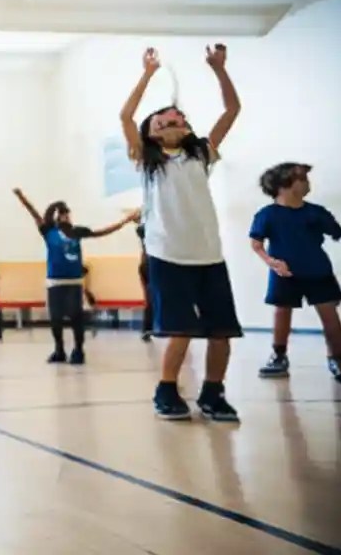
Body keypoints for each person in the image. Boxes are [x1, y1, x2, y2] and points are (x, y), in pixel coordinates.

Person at [121, 45, 243, 421]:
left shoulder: (202, 154)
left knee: (221, 332)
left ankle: (212, 392)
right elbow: (126, 115)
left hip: (209, 256)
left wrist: (219, 70)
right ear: (152, 133)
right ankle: (167, 389)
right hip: (167, 256)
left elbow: (231, 110)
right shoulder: (146, 160)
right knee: (181, 330)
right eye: (163, 120)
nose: (172, 121)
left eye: (178, 119)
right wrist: (147, 74)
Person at [13, 189, 136, 365]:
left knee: (76, 317)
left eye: (67, 213)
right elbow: (33, 213)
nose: (66, 216)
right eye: (62, 214)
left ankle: (78, 350)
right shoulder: (49, 231)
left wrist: (125, 221)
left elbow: (101, 232)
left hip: (74, 283)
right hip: (55, 282)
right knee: (55, 318)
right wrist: (21, 197)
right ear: (56, 217)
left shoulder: (77, 232)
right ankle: (59, 350)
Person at [249, 163, 341, 382]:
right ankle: (279, 357)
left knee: (330, 316)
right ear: (284, 185)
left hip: (319, 271)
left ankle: (337, 357)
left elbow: (337, 232)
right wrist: (272, 262)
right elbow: (256, 244)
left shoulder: (316, 212)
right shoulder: (267, 215)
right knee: (282, 313)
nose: (307, 182)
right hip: (285, 275)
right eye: (302, 178)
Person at [135, 222, 153, 341]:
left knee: (149, 299)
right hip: (150, 264)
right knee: (150, 300)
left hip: (146, 264)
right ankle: (147, 329)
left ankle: (146, 329)